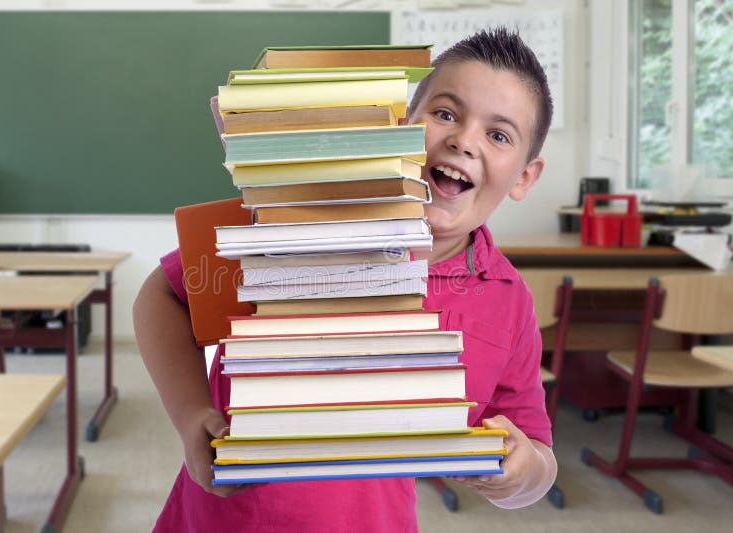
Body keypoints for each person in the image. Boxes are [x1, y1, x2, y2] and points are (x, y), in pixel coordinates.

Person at [133, 27, 556, 532]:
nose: (463, 141)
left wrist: (524, 473)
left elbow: (536, 451)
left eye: (498, 134)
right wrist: (190, 415)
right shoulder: (297, 220)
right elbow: (163, 293)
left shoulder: (506, 298)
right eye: (444, 113)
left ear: (525, 177)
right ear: (400, 124)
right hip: (225, 518)